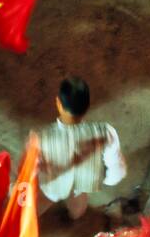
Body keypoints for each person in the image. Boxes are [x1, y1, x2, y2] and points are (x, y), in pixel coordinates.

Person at [36, 76, 125, 220]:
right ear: (88, 105)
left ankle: (30, 218)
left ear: (58, 103)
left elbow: (32, 169)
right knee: (78, 206)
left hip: (53, 185)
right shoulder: (106, 132)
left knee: (40, 202)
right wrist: (111, 178)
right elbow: (116, 168)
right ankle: (74, 216)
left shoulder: (42, 139)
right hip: (82, 183)